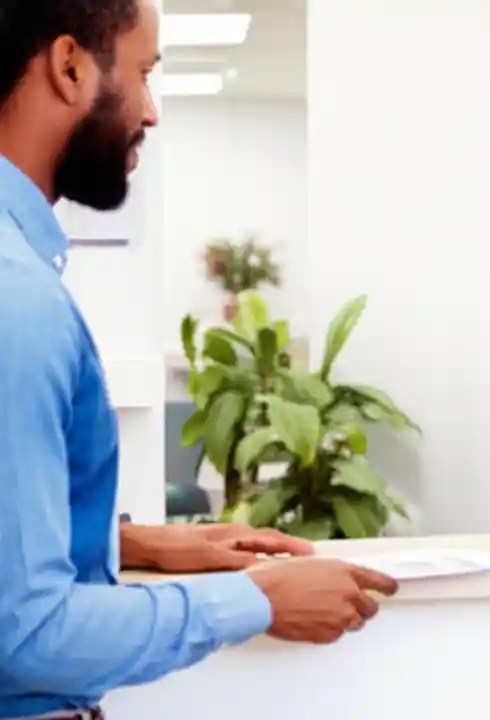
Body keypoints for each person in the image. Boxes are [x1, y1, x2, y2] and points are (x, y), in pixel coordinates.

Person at [0, 3, 398, 718]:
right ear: (69, 66)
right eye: (143, 74)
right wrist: (253, 599)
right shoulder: (16, 298)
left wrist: (131, 544)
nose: (150, 113)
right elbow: (22, 633)